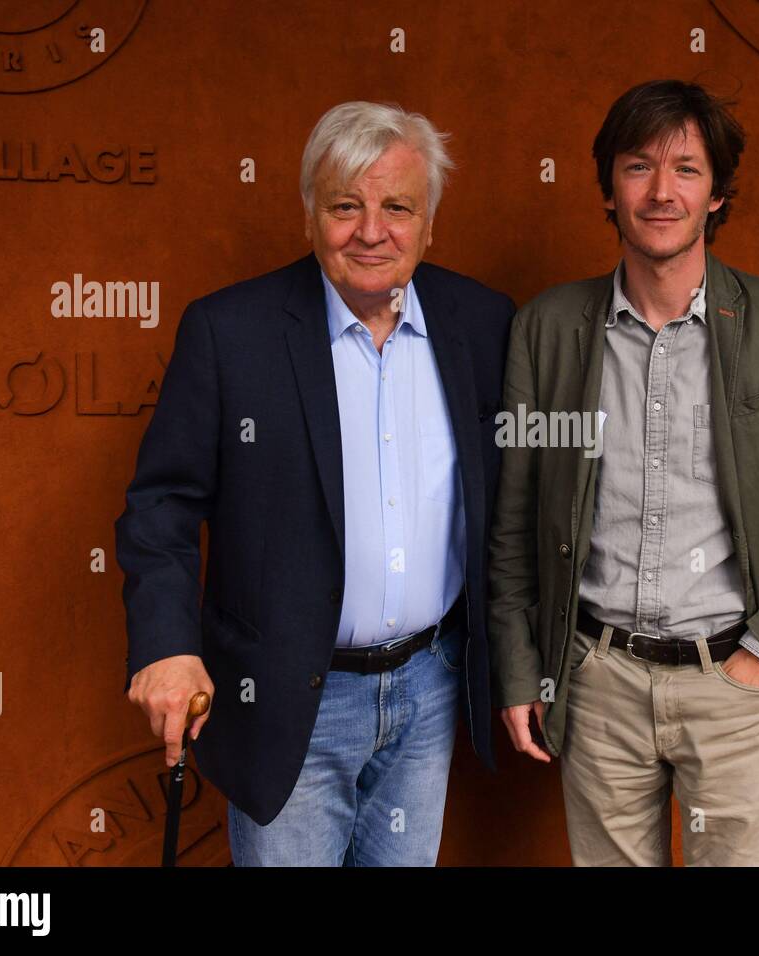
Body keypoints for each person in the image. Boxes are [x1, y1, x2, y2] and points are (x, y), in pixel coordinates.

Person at [117, 101, 514, 866]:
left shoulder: (484, 323)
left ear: (429, 222)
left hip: (430, 691)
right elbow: (160, 508)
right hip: (288, 699)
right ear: (309, 215)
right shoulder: (231, 334)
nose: (372, 231)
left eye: (397, 207)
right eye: (345, 206)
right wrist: (165, 647)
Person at [488, 79, 759, 866]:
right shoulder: (548, 329)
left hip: (734, 678)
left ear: (718, 192)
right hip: (597, 684)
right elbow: (515, 520)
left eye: (686, 169)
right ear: (609, 189)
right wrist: (524, 668)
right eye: (638, 167)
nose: (662, 192)